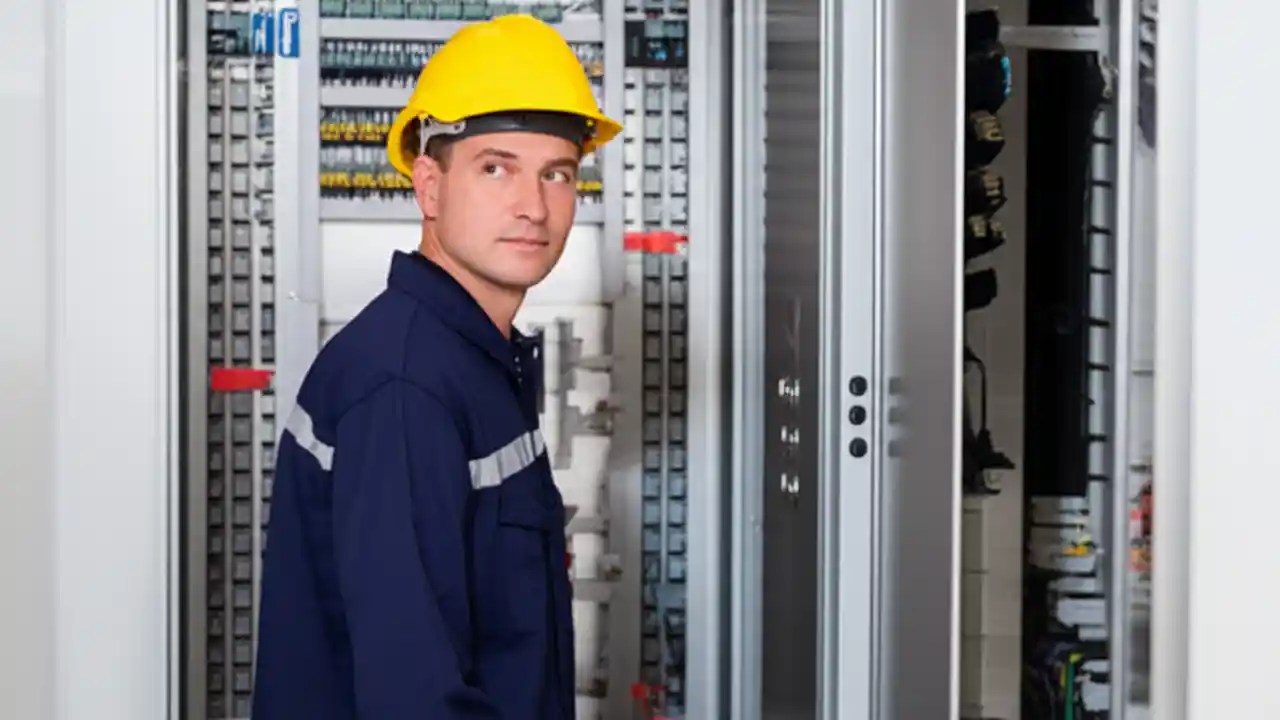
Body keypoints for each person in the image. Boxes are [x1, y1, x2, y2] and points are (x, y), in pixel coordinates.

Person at [251, 14, 623, 719]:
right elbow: (416, 698)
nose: (533, 206)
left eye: (556, 174)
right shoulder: (405, 387)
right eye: (495, 168)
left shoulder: (474, 362)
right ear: (429, 186)